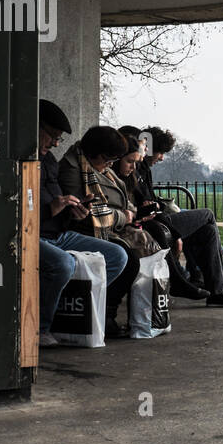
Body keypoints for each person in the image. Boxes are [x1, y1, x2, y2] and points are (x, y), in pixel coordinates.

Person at [123, 125, 223, 302]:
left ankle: (217, 292)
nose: (161, 157)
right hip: (154, 221)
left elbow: (147, 200)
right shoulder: (136, 170)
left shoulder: (141, 170)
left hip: (157, 218)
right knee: (207, 215)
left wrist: (154, 205)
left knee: (208, 231)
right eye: (159, 152)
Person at [37, 100, 129, 348]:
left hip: (59, 232)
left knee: (117, 256)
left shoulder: (49, 162)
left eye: (58, 138)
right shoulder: (22, 161)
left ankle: (64, 309)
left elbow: (59, 206)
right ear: (35, 127)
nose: (55, 143)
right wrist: (52, 209)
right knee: (62, 263)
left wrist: (74, 211)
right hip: (34, 236)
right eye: (52, 136)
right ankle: (41, 327)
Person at [56, 126, 143, 337]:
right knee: (129, 260)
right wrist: (123, 217)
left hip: (108, 226)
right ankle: (105, 314)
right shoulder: (72, 170)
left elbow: (122, 197)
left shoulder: (97, 166)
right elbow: (91, 212)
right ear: (98, 154)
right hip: (87, 229)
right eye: (109, 160)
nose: (110, 165)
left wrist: (129, 213)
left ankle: (106, 312)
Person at [111, 135, 209, 301]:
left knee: (205, 226)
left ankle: (201, 278)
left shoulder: (135, 174)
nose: (134, 167)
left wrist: (149, 209)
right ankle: (204, 279)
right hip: (126, 223)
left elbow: (141, 203)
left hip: (141, 218)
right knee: (206, 218)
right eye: (159, 152)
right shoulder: (124, 175)